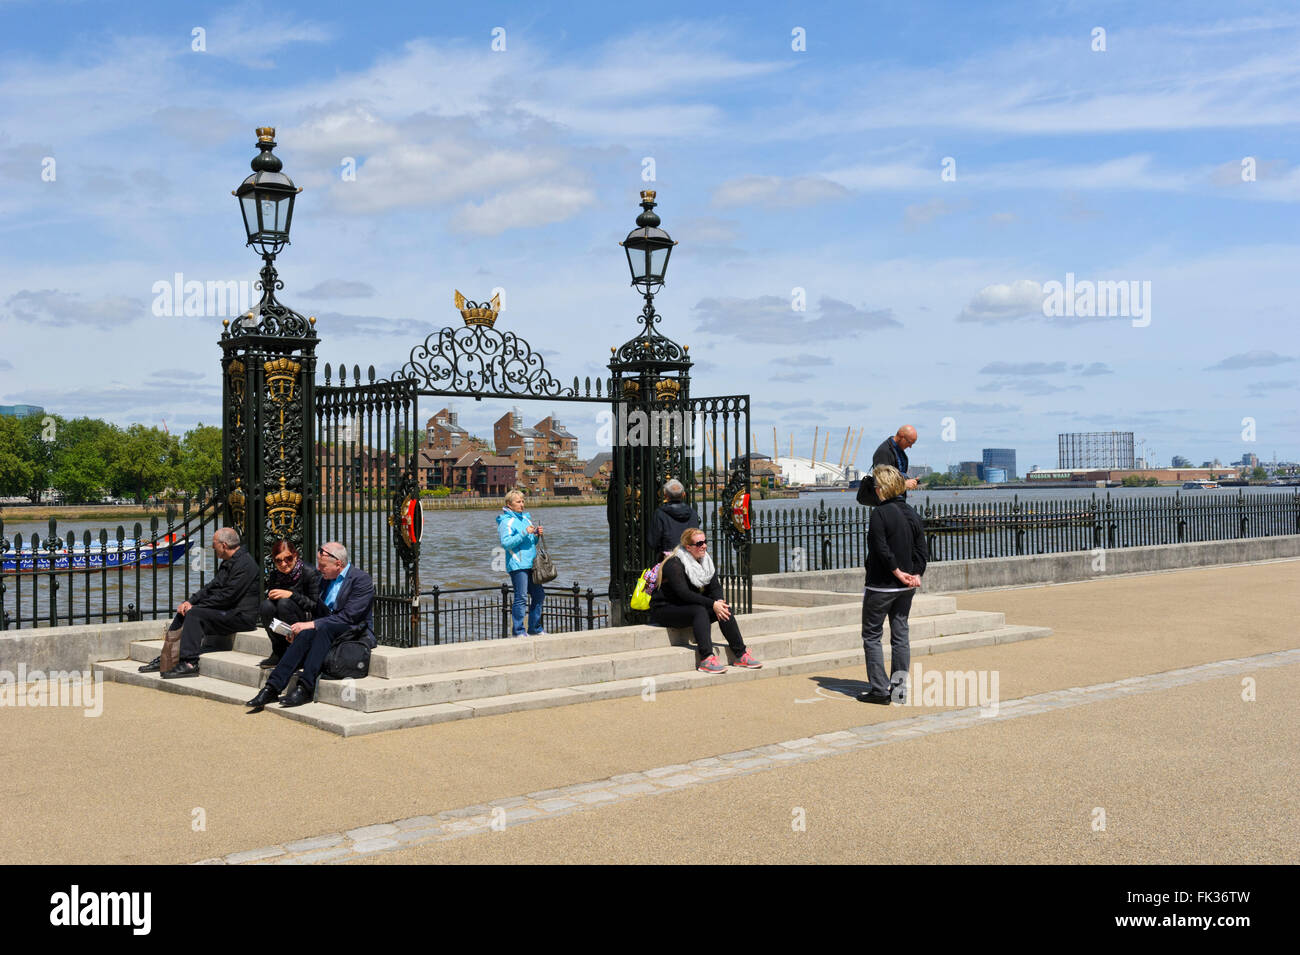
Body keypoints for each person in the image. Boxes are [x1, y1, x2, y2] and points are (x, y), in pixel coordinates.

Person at [245, 541, 376, 709]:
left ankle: (305, 687)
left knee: (320, 629)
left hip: (354, 630)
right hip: (328, 626)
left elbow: (349, 617)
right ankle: (272, 687)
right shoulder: (325, 579)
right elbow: (316, 609)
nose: (319, 569)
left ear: (338, 563)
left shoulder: (361, 579)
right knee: (308, 632)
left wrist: (312, 624)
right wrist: (301, 627)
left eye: (322, 566)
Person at [140, 526, 260, 679]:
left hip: (241, 617)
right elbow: (212, 587)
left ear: (223, 545)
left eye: (214, 543)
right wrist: (189, 601)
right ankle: (167, 658)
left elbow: (228, 596)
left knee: (195, 614)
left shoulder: (245, 564)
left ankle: (190, 663)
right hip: (228, 612)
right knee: (184, 610)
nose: (212, 547)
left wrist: (196, 607)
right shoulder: (229, 561)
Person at [858, 465, 928, 704]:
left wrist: (898, 572)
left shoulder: (879, 513)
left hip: (881, 584)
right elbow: (921, 547)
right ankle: (899, 690)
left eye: (876, 487)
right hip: (906, 587)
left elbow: (880, 547)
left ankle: (879, 690)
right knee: (900, 635)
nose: (875, 491)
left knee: (872, 635)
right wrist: (916, 573)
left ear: (881, 490)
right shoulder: (910, 512)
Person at [650, 527, 762, 674]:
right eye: (699, 543)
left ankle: (740, 654)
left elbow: (715, 587)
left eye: (705, 542)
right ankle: (706, 658)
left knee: (724, 609)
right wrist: (712, 604)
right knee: (700, 610)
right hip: (666, 609)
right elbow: (684, 594)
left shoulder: (705, 561)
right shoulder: (674, 564)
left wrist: (719, 602)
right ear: (688, 547)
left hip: (685, 606)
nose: (704, 545)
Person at [256, 539, 322, 669]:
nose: (283, 564)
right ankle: (279, 651)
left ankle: (300, 652)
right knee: (266, 606)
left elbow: (314, 605)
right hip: (283, 617)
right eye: (278, 561)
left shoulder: (309, 572)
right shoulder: (275, 575)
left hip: (306, 619)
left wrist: (291, 595)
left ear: (295, 556)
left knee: (284, 603)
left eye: (288, 559)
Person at [496, 489, 546, 637]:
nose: (522, 504)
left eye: (523, 501)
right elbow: (506, 543)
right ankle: (518, 631)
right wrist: (525, 532)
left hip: (532, 564)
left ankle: (535, 628)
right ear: (509, 504)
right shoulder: (506, 522)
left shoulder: (526, 519)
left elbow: (531, 542)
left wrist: (536, 535)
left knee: (539, 595)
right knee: (521, 597)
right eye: (518, 502)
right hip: (517, 565)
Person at [647, 478, 700, 559]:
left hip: (668, 560)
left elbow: (652, 542)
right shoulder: (692, 513)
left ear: (665, 495)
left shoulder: (660, 513)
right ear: (683, 494)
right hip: (689, 559)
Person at [872, 425, 919, 499]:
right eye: (909, 442)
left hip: (899, 500)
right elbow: (882, 483)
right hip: (887, 503)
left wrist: (909, 480)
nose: (910, 446)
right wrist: (904, 484)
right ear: (901, 437)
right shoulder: (883, 452)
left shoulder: (899, 451)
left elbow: (898, 474)